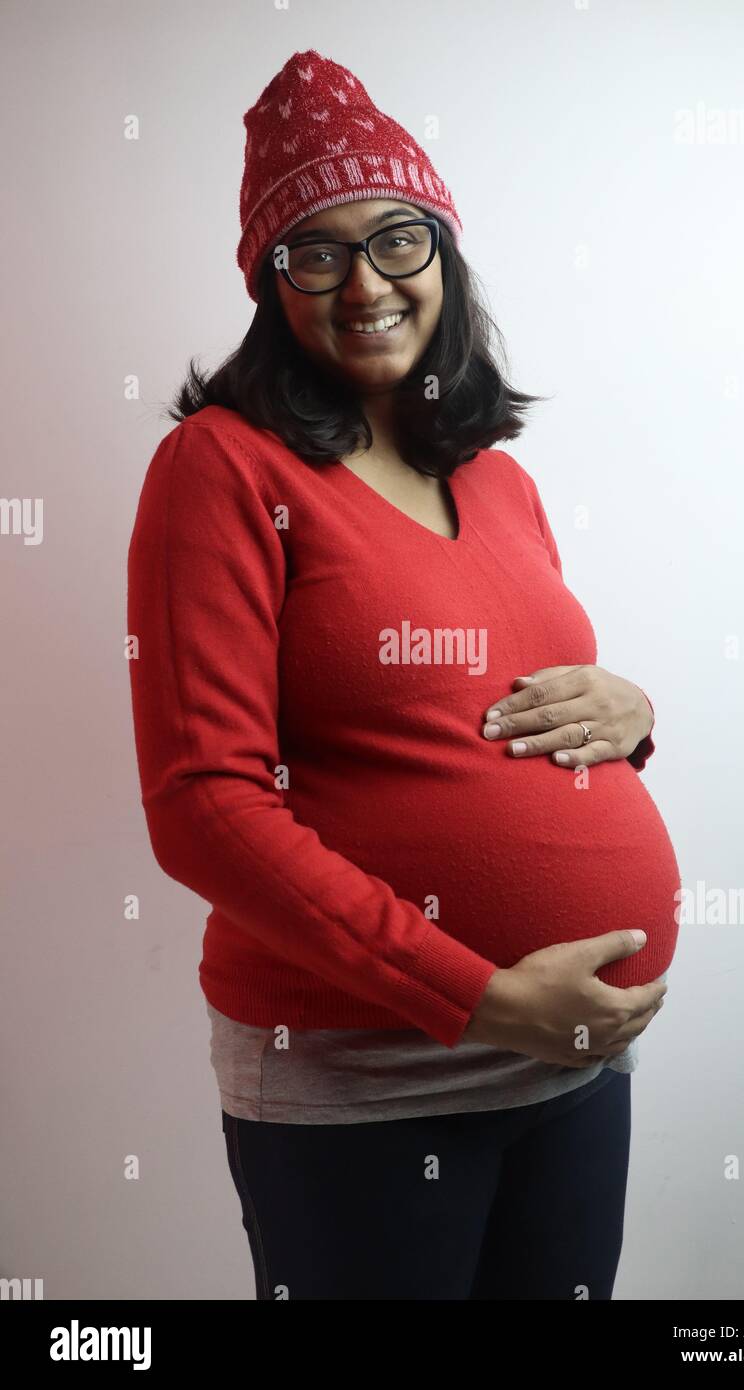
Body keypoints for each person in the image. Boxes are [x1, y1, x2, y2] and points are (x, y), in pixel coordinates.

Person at [126, 49, 681, 1301]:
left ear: (442, 253)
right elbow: (203, 807)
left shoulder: (494, 475)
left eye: (394, 240)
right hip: (368, 1085)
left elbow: (508, 702)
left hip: (574, 1063)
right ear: (271, 285)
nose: (363, 283)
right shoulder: (223, 470)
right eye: (312, 253)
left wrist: (634, 716)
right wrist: (478, 995)